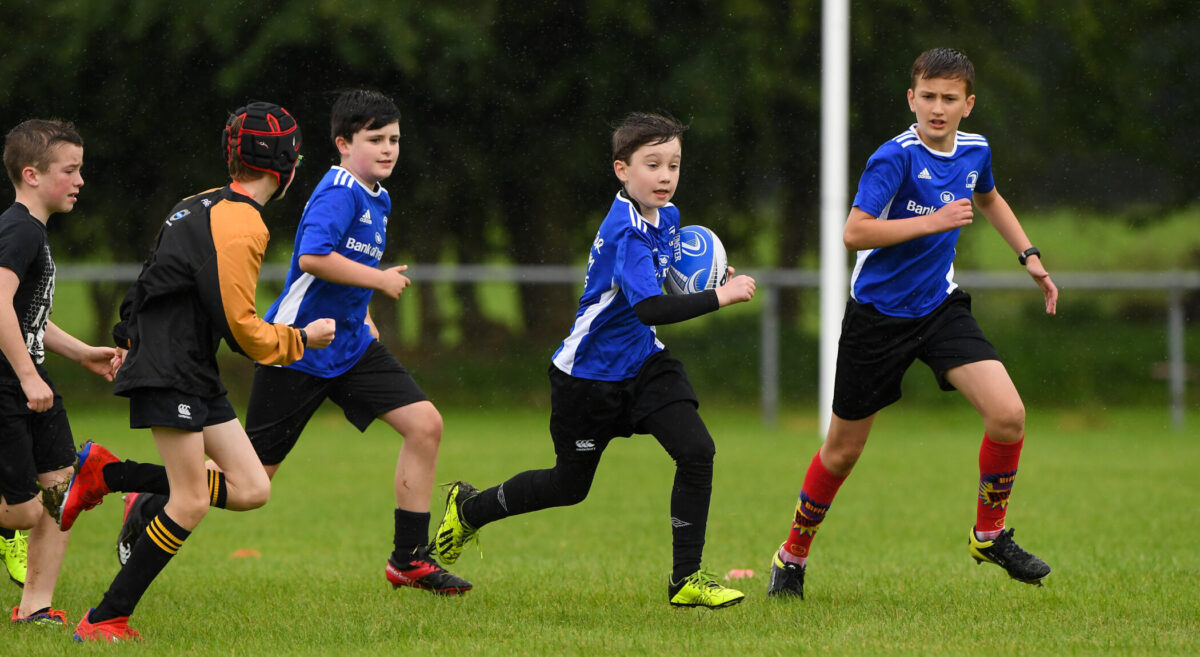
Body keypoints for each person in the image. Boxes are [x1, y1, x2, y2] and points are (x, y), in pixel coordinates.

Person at [119, 89, 471, 594]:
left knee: (425, 425)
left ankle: (409, 559)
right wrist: (379, 283)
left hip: (348, 346)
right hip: (298, 349)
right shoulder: (338, 191)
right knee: (251, 477)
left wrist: (363, 311)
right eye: (376, 139)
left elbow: (349, 264)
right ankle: (149, 494)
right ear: (343, 144)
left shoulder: (378, 196)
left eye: (394, 139)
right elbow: (313, 258)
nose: (389, 148)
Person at [765, 48, 1058, 600]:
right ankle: (792, 555)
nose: (938, 108)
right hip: (876, 319)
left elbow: (990, 197)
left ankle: (988, 534)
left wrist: (1030, 258)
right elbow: (855, 232)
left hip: (939, 308)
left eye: (950, 99)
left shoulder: (975, 150)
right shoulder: (893, 158)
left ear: (968, 105)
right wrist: (933, 223)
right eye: (928, 96)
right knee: (842, 452)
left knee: (1009, 415)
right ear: (912, 98)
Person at [433, 112, 758, 609]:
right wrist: (723, 297)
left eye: (673, 164)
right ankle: (469, 509)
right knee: (570, 485)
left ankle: (686, 579)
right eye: (653, 164)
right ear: (621, 170)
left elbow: (662, 283)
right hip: (588, 378)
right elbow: (648, 306)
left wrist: (707, 278)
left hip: (645, 364)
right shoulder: (625, 232)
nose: (666, 175)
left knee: (697, 451)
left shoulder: (666, 218)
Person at [65, 102, 335, 642]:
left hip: (189, 368)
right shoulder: (242, 224)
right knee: (190, 500)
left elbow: (148, 281)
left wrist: (125, 336)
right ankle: (104, 619)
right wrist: (303, 340)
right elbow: (242, 328)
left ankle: (108, 474)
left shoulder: (196, 203)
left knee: (253, 486)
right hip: (172, 369)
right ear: (284, 166)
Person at [0, 119, 122, 627]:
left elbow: (31, 316)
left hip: (33, 381)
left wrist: (81, 354)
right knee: (24, 512)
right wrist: (28, 377)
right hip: (9, 384)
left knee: (60, 493)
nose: (79, 180)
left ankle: (35, 608)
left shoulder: (34, 232)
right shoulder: (18, 229)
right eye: (69, 170)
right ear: (32, 174)